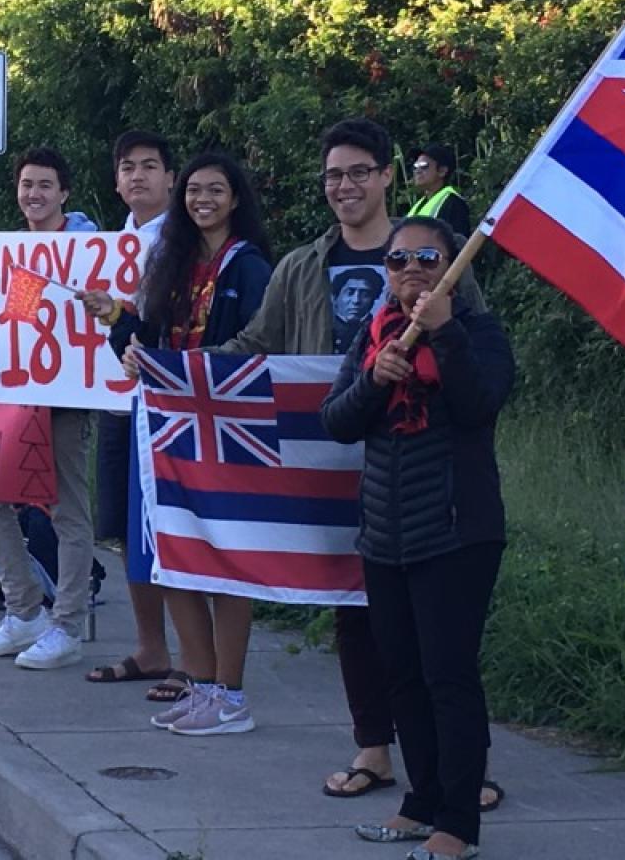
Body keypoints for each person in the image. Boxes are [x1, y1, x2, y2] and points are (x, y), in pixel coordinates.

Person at [212, 118, 485, 798]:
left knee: (437, 623)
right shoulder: (302, 265)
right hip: (328, 452)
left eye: (360, 171)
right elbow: (251, 347)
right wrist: (168, 369)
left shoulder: (437, 258)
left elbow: (476, 349)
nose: (346, 186)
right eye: (334, 174)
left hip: (421, 466)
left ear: (387, 175)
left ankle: (462, 766)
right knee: (354, 611)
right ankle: (375, 748)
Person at [323, 217, 512, 860]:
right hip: (385, 534)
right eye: (398, 259)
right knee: (401, 675)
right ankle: (421, 801)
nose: (412, 269)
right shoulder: (374, 336)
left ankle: (457, 826)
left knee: (448, 677)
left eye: (428, 257)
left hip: (457, 534)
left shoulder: (479, 334)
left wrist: (444, 333)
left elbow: (480, 405)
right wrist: (377, 377)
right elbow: (337, 421)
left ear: (452, 268)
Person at [101, 153, 273, 736]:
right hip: (167, 427)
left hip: (224, 431)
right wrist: (121, 330)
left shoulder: (248, 267)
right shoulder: (169, 262)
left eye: (215, 190)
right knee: (173, 559)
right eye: (195, 190)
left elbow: (259, 345)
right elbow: (148, 338)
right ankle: (200, 687)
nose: (202, 199)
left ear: (235, 199)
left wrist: (186, 365)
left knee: (223, 563)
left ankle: (231, 695)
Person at [0, 146, 97, 671]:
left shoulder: (87, 247)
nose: (34, 194)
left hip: (65, 398)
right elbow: (21, 325)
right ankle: (24, 610)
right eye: (27, 185)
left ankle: (67, 624)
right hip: (18, 394)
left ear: (64, 192)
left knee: (68, 508)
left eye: (45, 184)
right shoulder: (16, 252)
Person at [80, 130, 178, 687]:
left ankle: (197, 656)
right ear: (116, 181)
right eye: (127, 168)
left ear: (170, 176)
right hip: (116, 398)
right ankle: (150, 648)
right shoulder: (107, 245)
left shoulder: (184, 241)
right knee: (124, 527)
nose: (137, 176)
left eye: (149, 166)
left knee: (170, 527)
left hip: (168, 399)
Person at [408, 145, 472, 239]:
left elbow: (459, 245)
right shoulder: (419, 204)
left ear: (442, 171)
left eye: (424, 166)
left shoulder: (454, 204)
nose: (417, 171)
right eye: (415, 166)